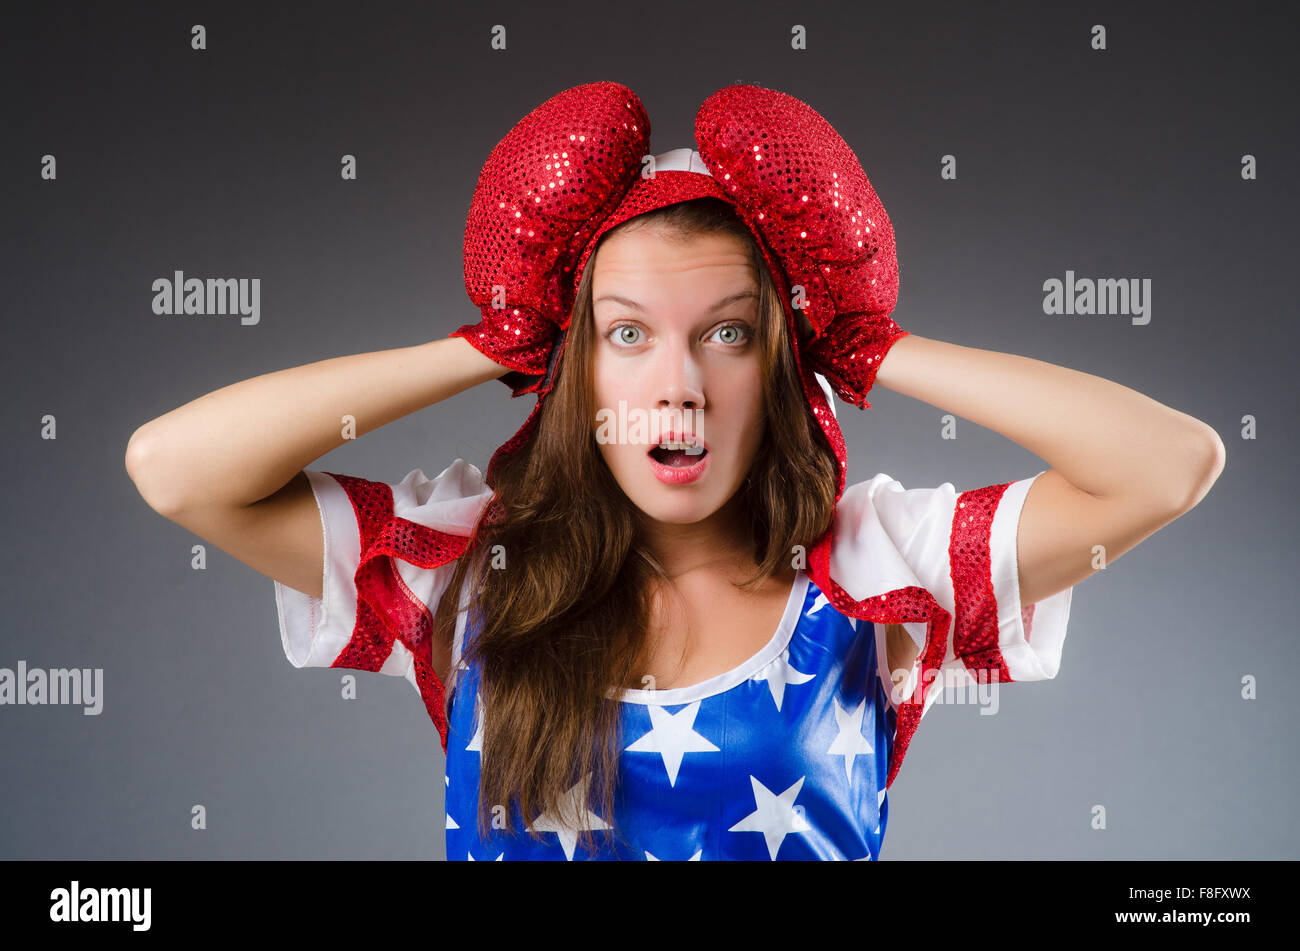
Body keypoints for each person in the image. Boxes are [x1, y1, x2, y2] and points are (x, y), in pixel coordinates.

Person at [125, 83, 1225, 860]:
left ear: (782, 363)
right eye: (629, 334)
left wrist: (870, 339)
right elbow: (176, 469)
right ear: (578, 369)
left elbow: (1168, 465)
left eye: (730, 335)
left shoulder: (873, 570)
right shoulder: (468, 566)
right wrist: (487, 343)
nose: (680, 385)